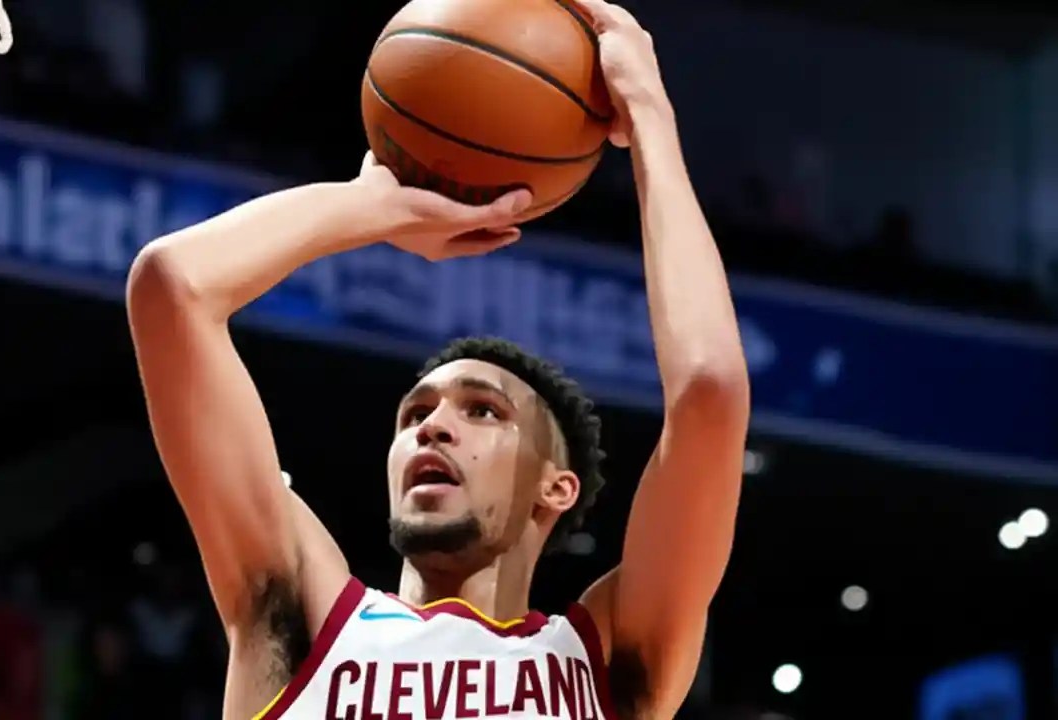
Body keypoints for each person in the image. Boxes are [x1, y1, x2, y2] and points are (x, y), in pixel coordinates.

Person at [125, 1, 750, 717]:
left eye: (483, 410)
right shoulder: (305, 614)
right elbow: (172, 288)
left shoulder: (601, 663)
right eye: (414, 413)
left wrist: (649, 121)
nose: (431, 427)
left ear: (558, 488)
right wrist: (369, 206)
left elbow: (711, 390)